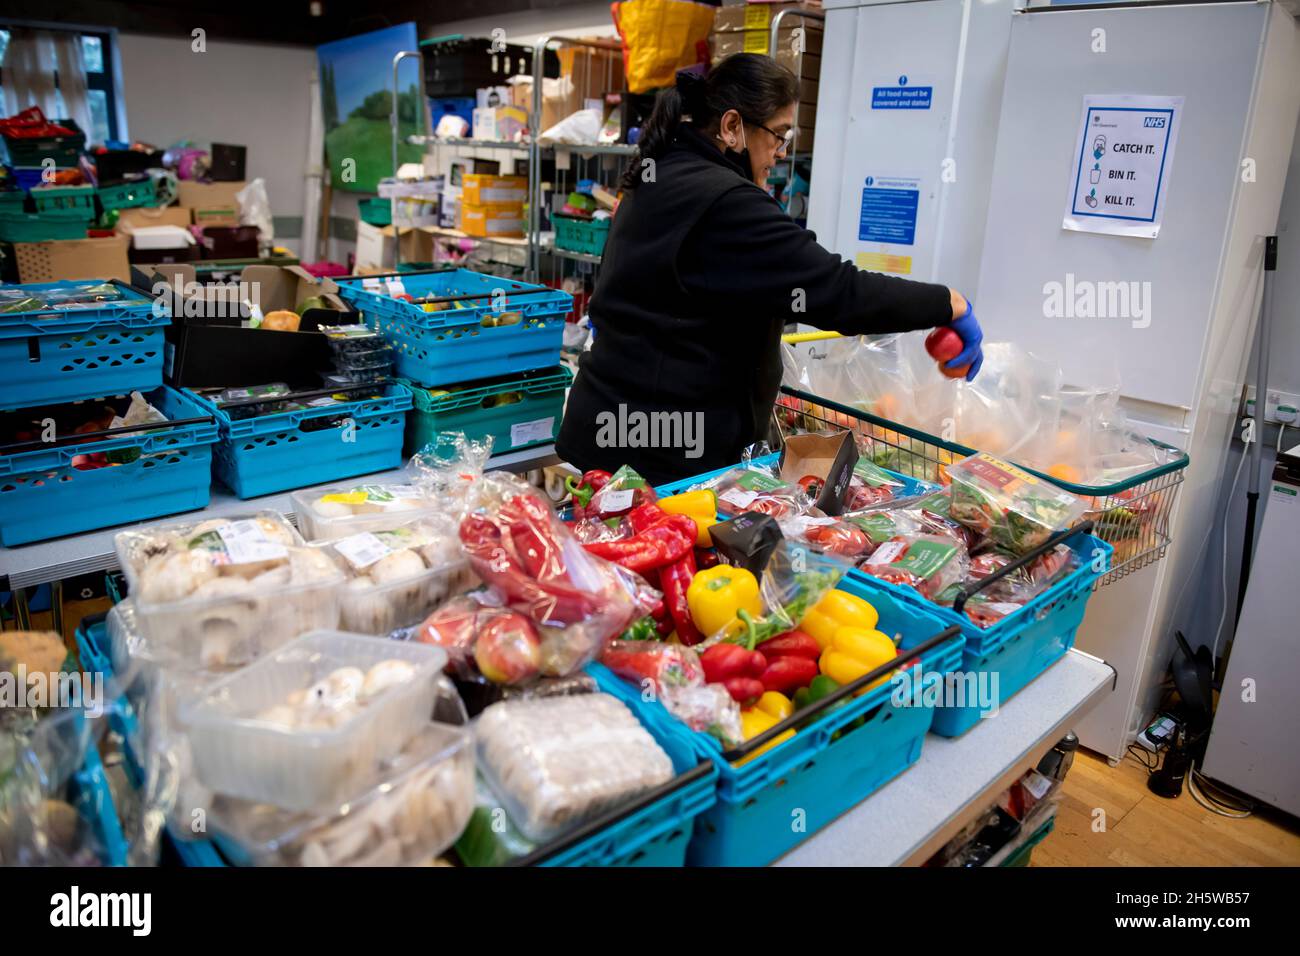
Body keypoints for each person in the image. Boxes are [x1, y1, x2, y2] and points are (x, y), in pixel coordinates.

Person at [556, 54, 982, 486]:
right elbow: (840, 292)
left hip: (608, 435)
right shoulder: (727, 202)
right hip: (659, 463)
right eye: (777, 136)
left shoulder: (662, 172)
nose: (779, 155)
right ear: (731, 127)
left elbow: (708, 291)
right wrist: (948, 303)